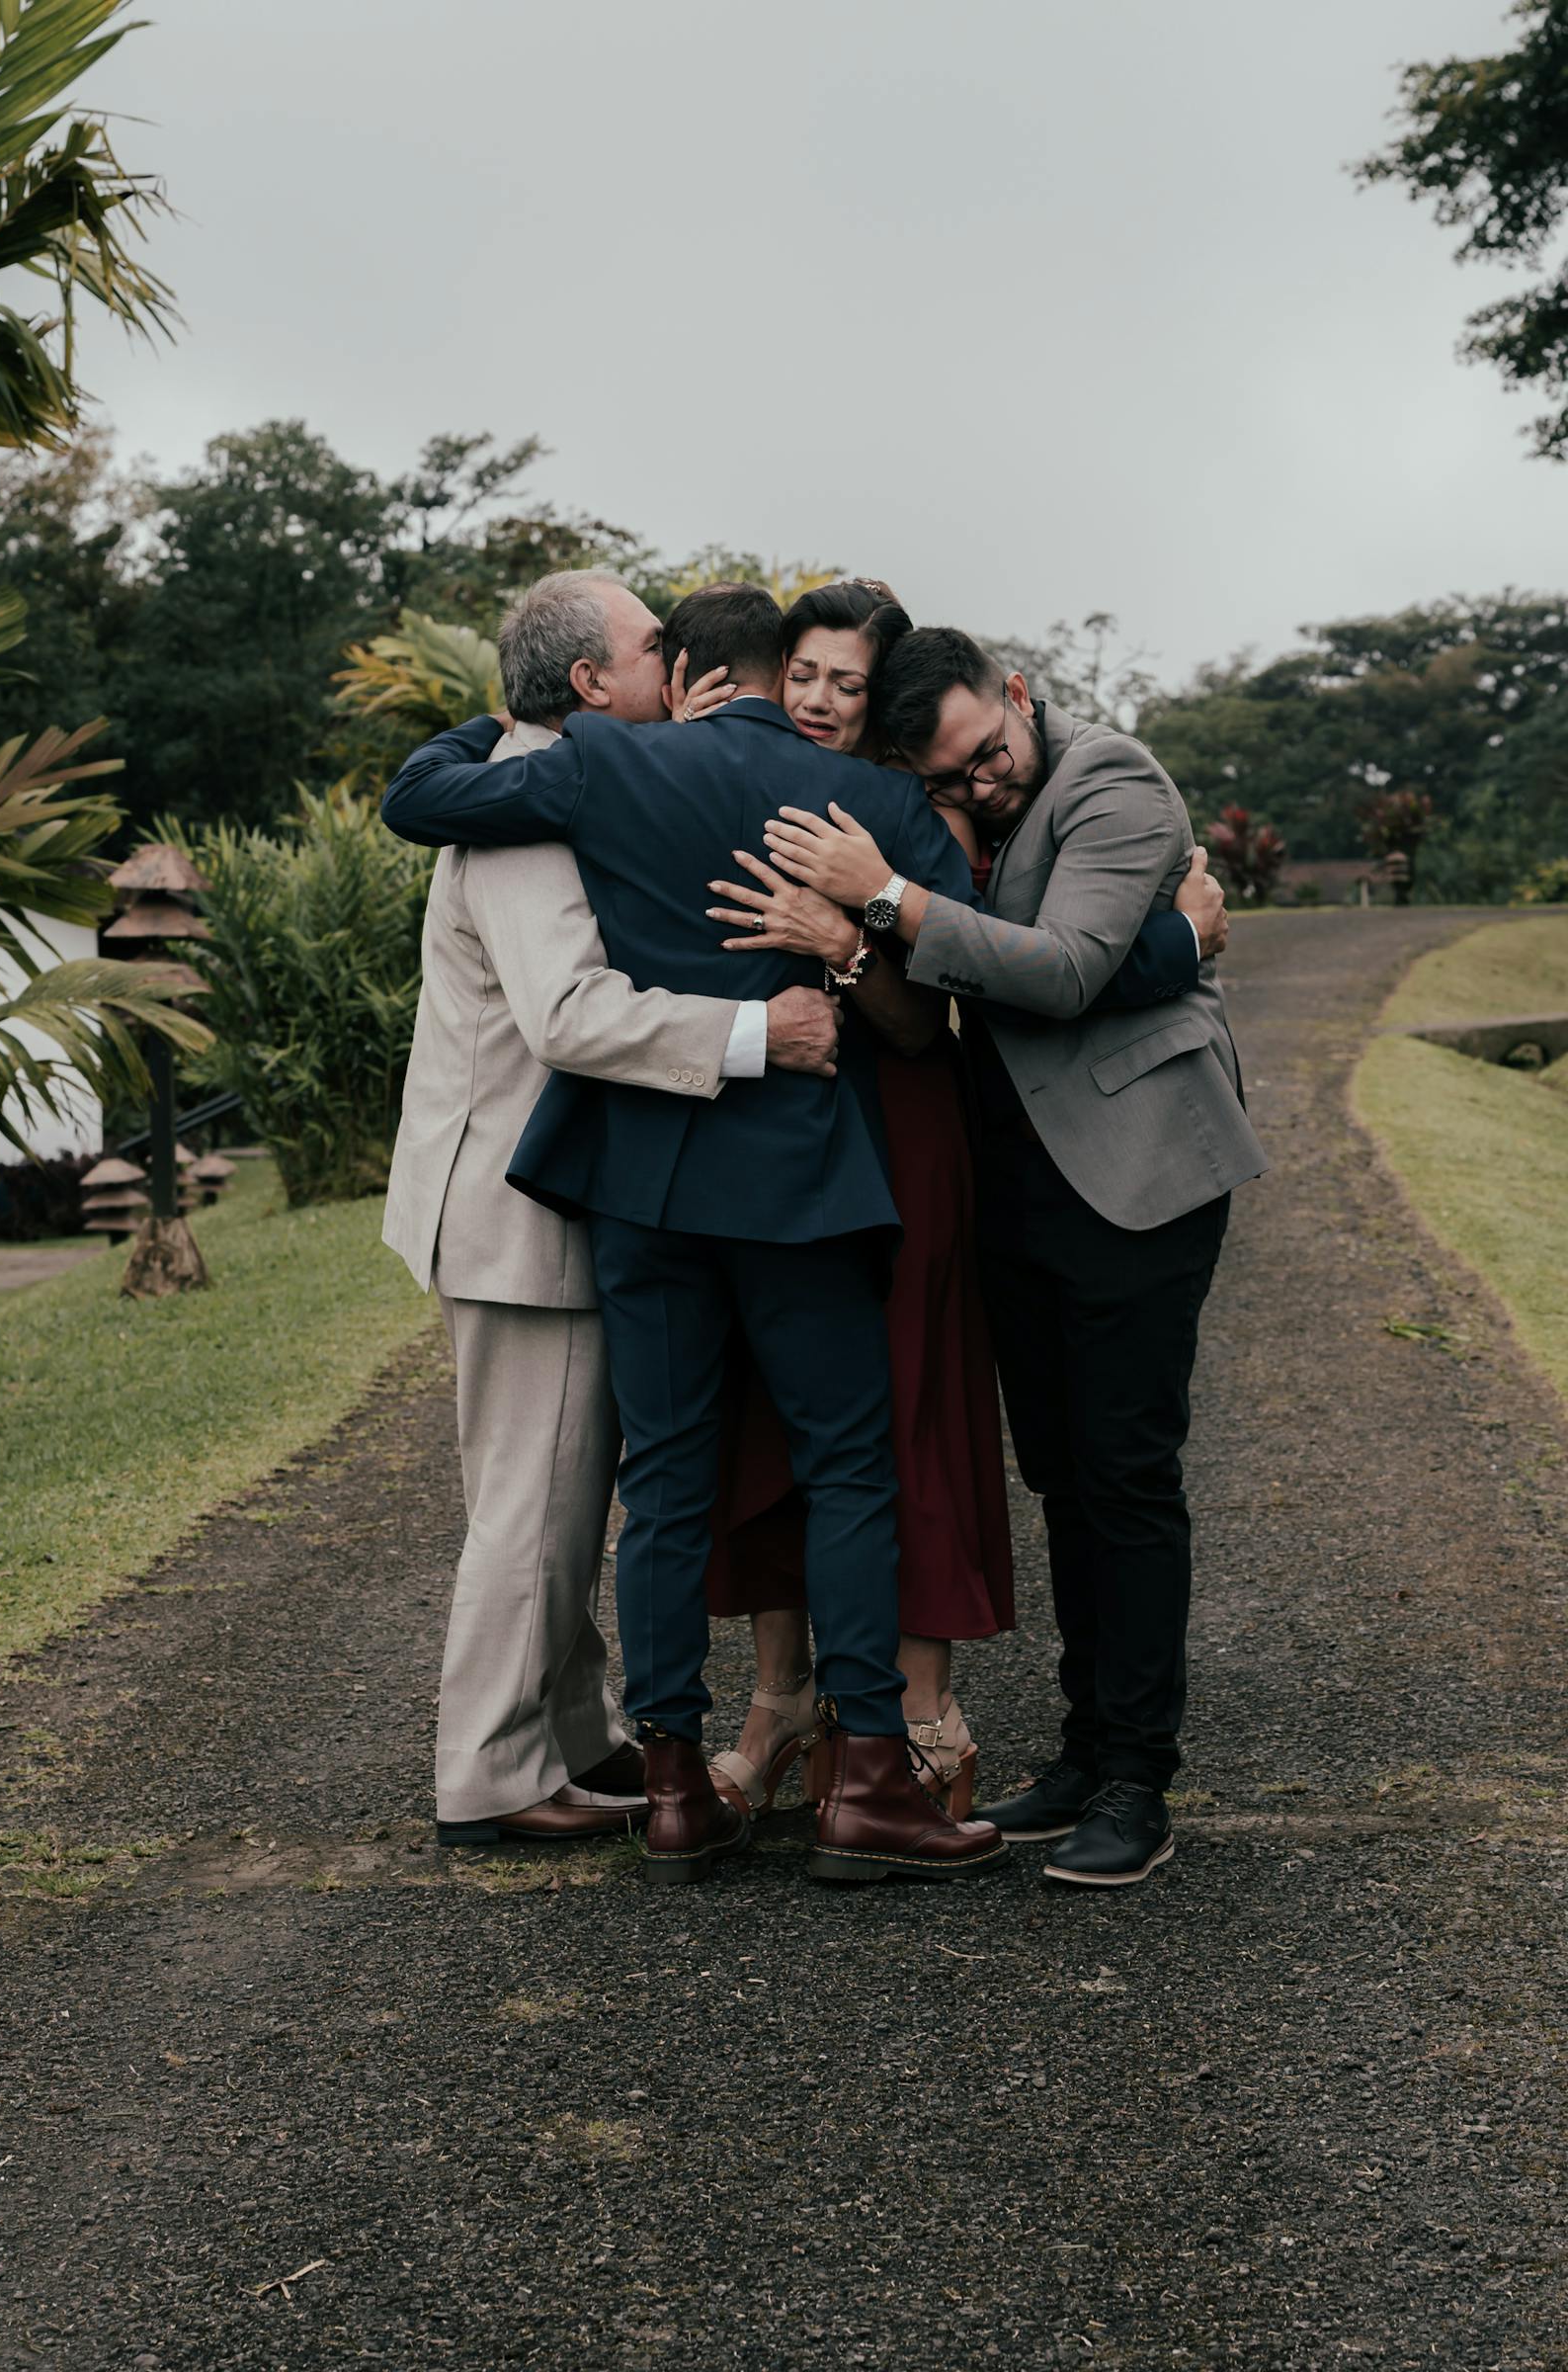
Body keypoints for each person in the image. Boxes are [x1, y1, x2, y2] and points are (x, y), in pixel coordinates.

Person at [381, 583, 1008, 1887]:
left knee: (662, 1482)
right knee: (849, 1471)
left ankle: (672, 1787)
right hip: (799, 1185)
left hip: (647, 1189)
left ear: (686, 675)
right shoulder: (873, 802)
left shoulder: (610, 767)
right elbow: (961, 973)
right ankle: (869, 1782)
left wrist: (497, 721)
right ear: (786, 670)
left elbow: (434, 798)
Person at [689, 581, 1224, 1825]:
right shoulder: (935, 804)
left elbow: (1061, 968)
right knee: (1065, 1478)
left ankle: (1136, 1781)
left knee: (1126, 1477)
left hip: (1132, 1170)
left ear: (1017, 693)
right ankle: (1088, 1753)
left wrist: (879, 898)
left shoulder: (1109, 779)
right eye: (949, 775)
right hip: (1017, 1179)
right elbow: (999, 972)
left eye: (987, 755)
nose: (980, 784)